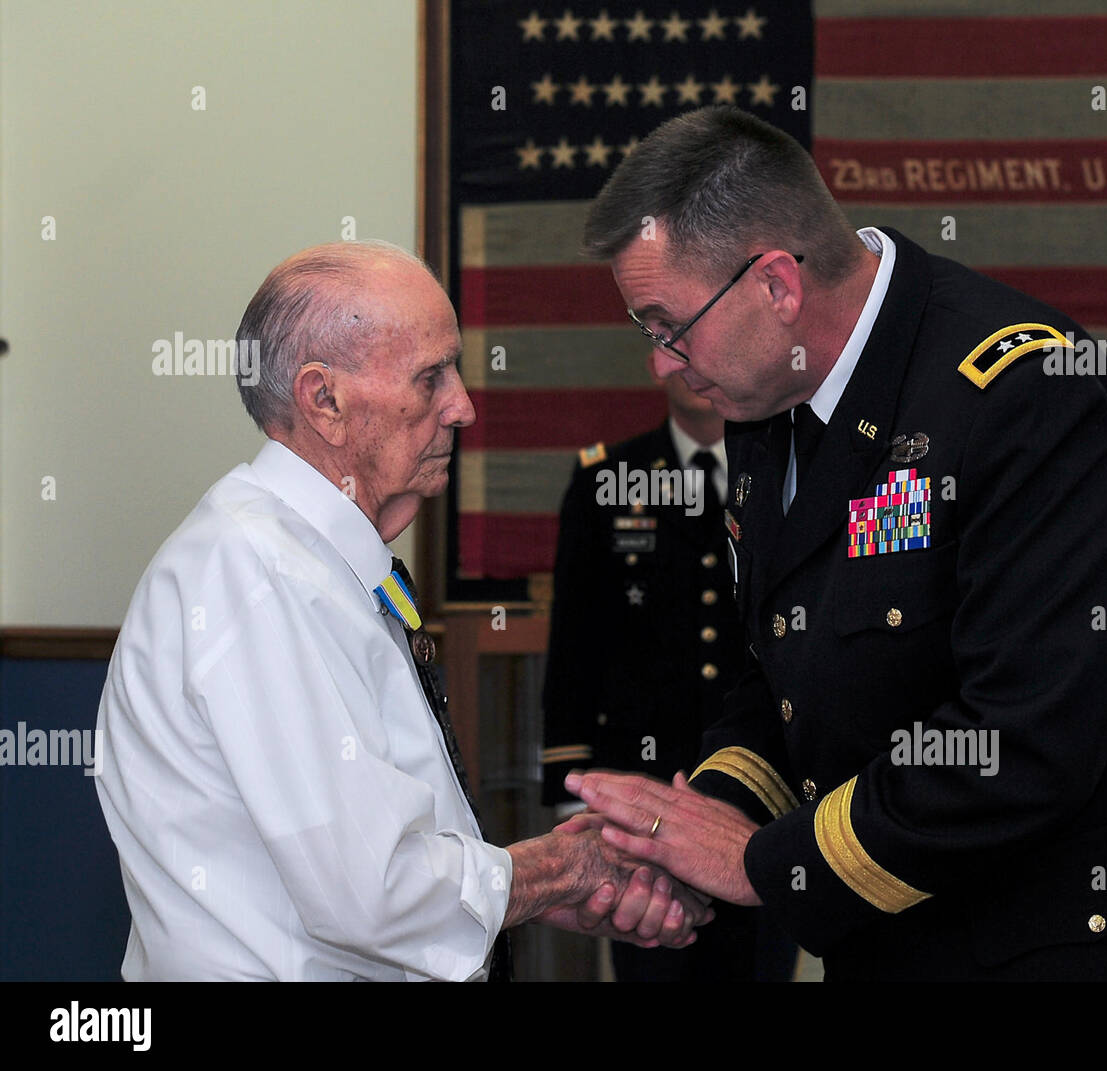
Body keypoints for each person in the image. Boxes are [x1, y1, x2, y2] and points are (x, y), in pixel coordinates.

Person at [562, 106, 1107, 982]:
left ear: (776, 285)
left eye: (667, 325)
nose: (660, 363)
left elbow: (1021, 739)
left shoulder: (1029, 397)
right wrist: (695, 824)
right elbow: (779, 678)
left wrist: (760, 861)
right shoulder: (767, 398)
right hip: (891, 947)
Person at [94, 241, 710, 981]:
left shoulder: (311, 562)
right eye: (431, 377)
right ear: (324, 400)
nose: (464, 404)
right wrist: (557, 869)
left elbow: (376, 855)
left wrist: (523, 892)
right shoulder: (255, 576)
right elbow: (368, 890)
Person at [542, 350, 797, 981]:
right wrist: (573, 788)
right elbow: (575, 642)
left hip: (762, 797)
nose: (693, 367)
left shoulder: (781, 468)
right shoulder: (610, 476)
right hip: (640, 791)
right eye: (675, 348)